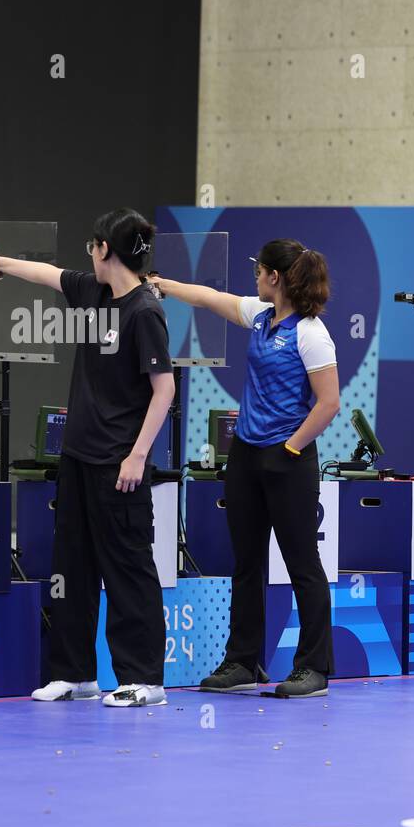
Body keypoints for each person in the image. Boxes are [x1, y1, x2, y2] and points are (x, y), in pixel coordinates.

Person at [0, 207, 175, 706]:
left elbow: (164, 389)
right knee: (72, 569)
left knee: (128, 570)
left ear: (107, 249)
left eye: (92, 245)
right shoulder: (95, 293)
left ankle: (144, 679)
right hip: (79, 460)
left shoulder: (145, 311)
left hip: (120, 466)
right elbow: (48, 275)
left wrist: (137, 456)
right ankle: (74, 672)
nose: (89, 253)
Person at [148, 240, 338, 698]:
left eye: (259, 270)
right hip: (247, 457)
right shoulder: (258, 314)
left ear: (275, 277)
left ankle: (314, 668)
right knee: (247, 564)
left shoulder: (311, 333)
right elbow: (209, 299)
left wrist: (290, 450)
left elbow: (328, 404)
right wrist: (161, 285)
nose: (253, 276)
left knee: (302, 565)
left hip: (289, 459)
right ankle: (242, 662)